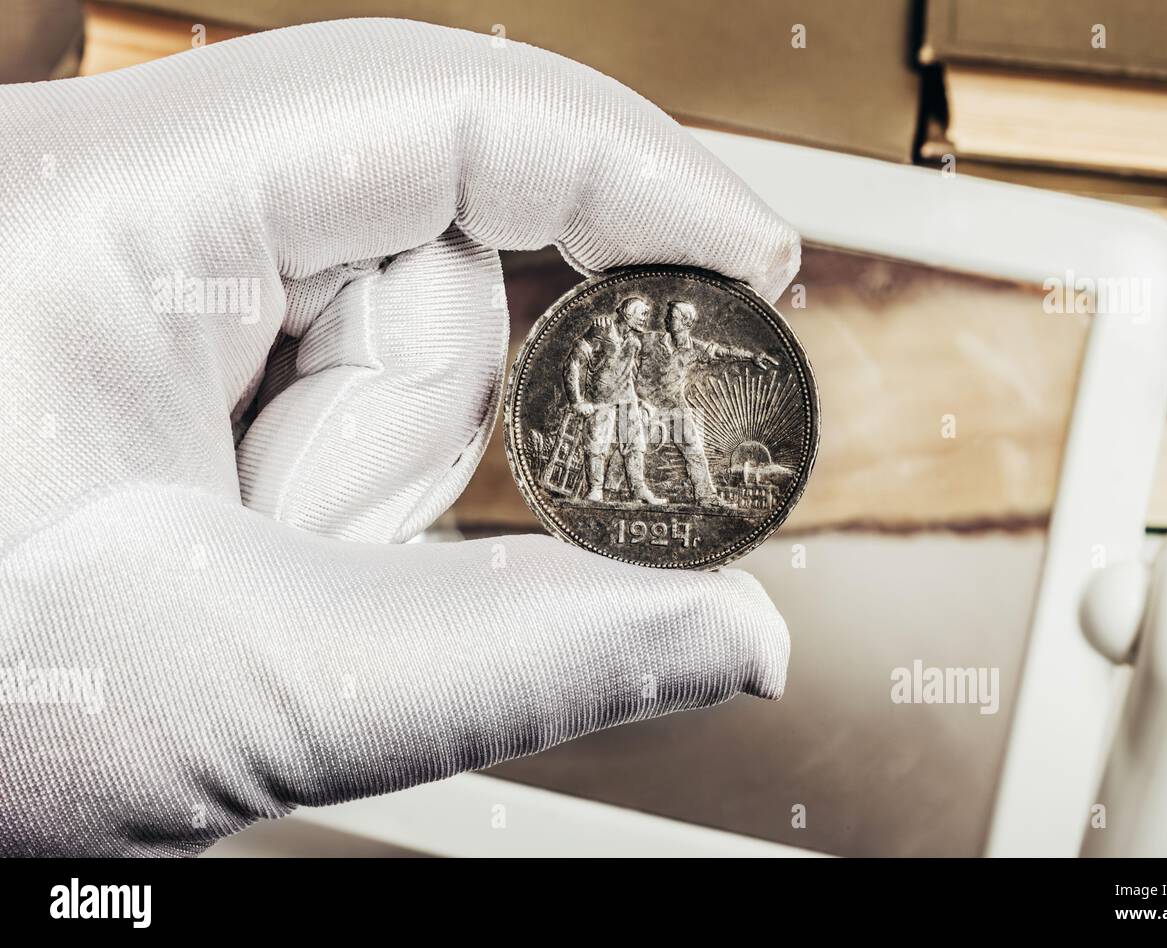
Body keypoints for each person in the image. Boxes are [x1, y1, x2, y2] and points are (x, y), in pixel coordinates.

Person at [0, 19, 800, 855]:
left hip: (653, 415)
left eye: (654, 311)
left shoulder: (676, 343)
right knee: (625, 459)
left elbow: (706, 352)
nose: (652, 316)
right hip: (613, 419)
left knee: (682, 458)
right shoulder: (615, 345)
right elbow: (591, 381)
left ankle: (694, 489)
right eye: (648, 309)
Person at [638, 300, 778, 506]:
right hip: (645, 405)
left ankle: (706, 497)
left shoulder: (694, 348)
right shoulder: (650, 339)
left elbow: (722, 352)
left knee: (694, 450)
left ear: (686, 322)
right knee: (629, 447)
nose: (666, 319)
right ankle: (611, 490)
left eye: (672, 317)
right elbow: (621, 342)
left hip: (675, 407)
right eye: (668, 315)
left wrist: (751, 356)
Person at [564, 295, 665, 504]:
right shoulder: (601, 330)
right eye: (642, 313)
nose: (646, 318)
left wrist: (639, 401)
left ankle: (639, 490)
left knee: (636, 446)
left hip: (627, 402)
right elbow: (573, 362)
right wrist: (576, 401)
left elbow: (626, 377)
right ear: (627, 313)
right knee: (596, 446)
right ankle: (595, 490)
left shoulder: (634, 342)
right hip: (600, 401)